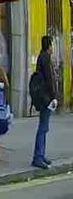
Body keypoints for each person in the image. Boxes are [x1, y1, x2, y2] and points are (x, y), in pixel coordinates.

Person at [31, 35, 58, 169]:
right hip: (46, 98)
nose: (53, 48)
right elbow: (49, 80)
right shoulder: (46, 58)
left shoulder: (41, 57)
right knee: (43, 127)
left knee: (44, 127)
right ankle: (38, 157)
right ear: (49, 45)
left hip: (43, 97)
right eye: (52, 45)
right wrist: (54, 97)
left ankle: (41, 155)